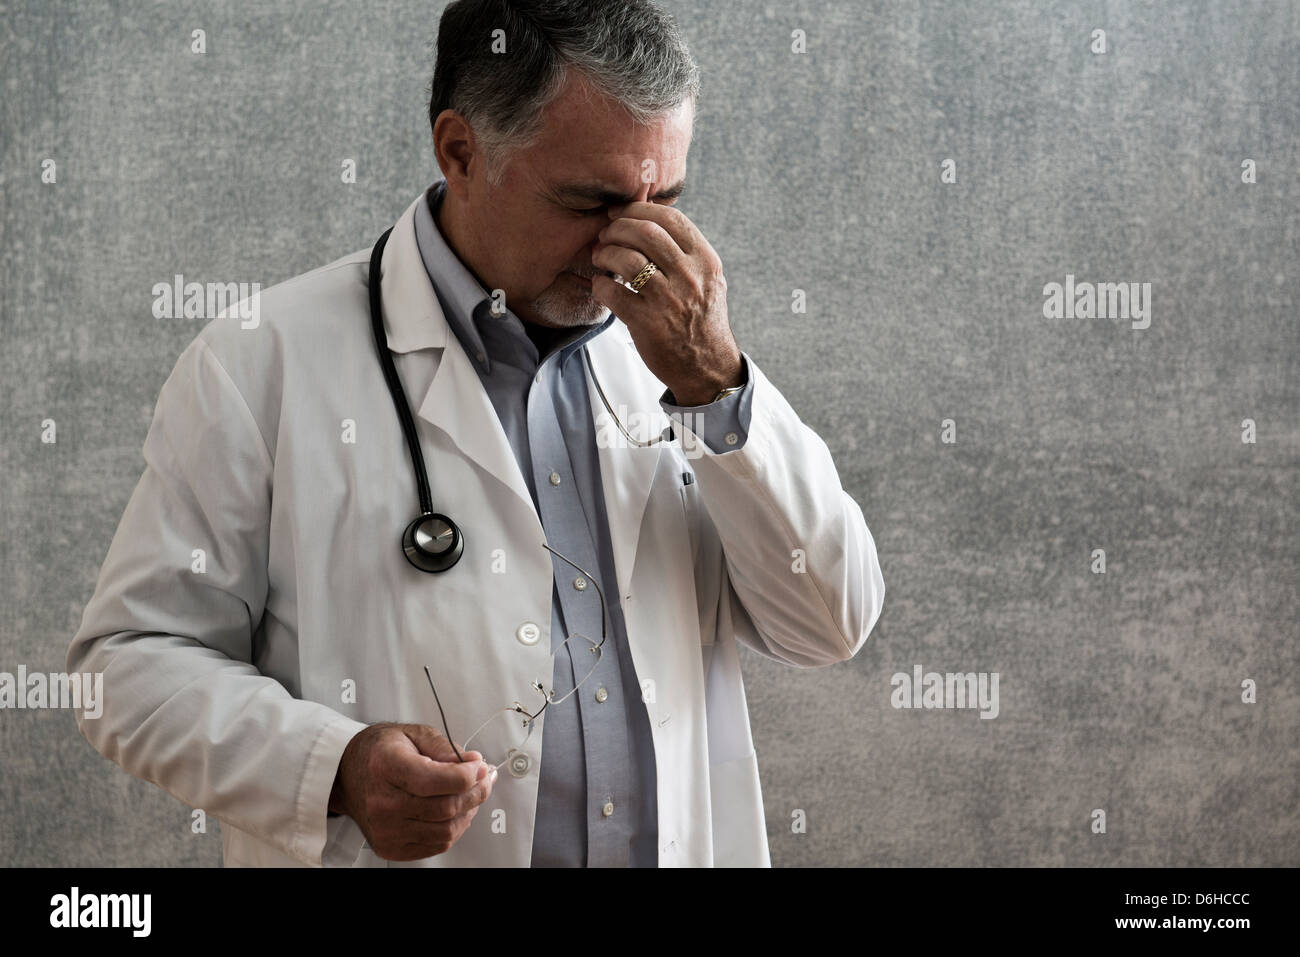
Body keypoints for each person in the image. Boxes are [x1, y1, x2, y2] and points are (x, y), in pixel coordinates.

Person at [67, 0, 885, 867]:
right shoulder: (259, 364)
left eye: (667, 200)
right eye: (592, 201)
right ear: (460, 151)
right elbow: (126, 665)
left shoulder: (682, 358)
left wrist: (717, 384)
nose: (640, 249)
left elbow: (827, 625)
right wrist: (333, 769)